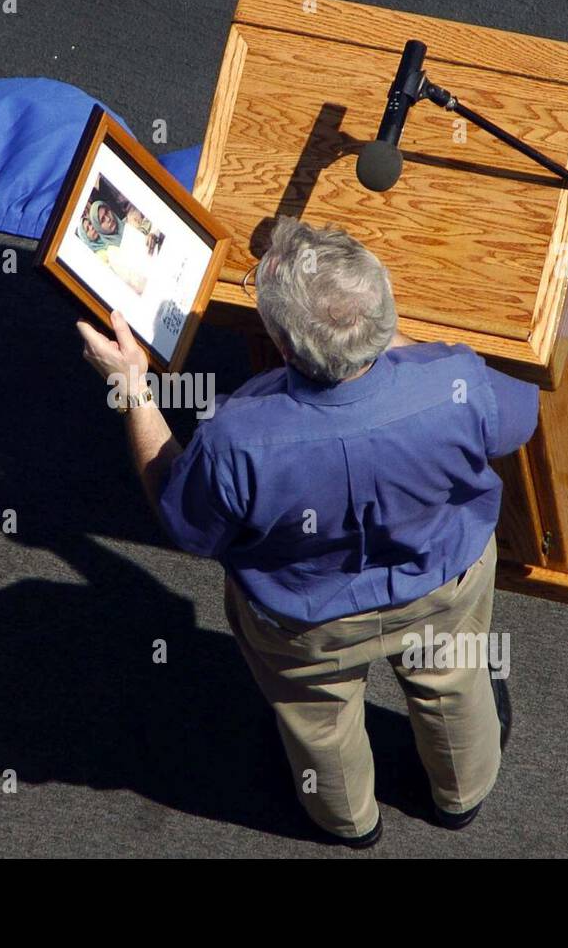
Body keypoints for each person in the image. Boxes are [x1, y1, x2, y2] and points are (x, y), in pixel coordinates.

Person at [76, 216, 538, 847]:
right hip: (442, 586)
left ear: (285, 348)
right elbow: (523, 419)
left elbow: (187, 525)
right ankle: (460, 797)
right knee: (454, 683)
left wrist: (132, 388)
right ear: (383, 310)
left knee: (319, 724)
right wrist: (379, 340)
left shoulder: (236, 436)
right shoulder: (456, 384)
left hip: (305, 623)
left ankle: (349, 824)